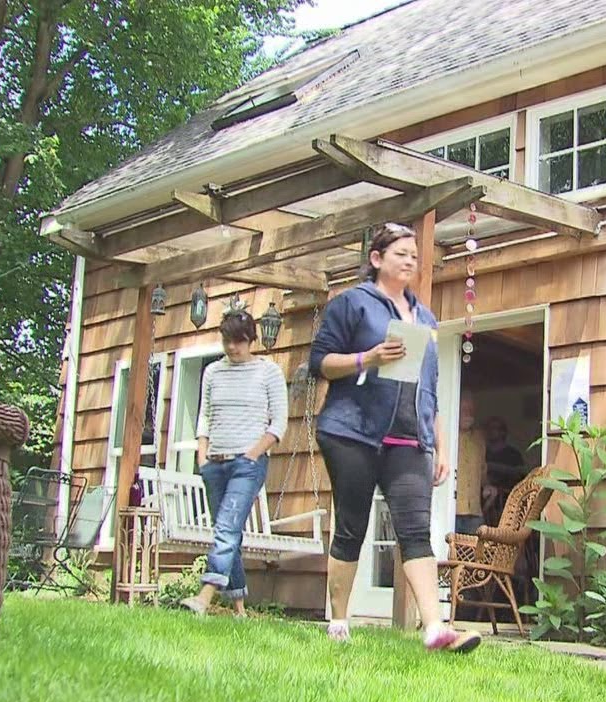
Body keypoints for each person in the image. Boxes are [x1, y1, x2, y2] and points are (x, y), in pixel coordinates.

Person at [308, 222, 481, 653]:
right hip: (352, 431)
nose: (409, 260)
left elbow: (431, 385)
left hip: (408, 437)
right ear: (377, 259)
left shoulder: (425, 318)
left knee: (415, 531)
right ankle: (340, 620)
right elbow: (320, 363)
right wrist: (368, 357)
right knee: (352, 527)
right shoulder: (352, 304)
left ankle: (435, 628)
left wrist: (439, 443)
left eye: (414, 255)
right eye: (400, 253)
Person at [179, 310, 288, 618]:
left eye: (239, 342)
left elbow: (279, 423)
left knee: (226, 527)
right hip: (214, 463)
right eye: (228, 341)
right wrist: (202, 456)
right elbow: (205, 417)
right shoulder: (212, 372)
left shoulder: (269, 373)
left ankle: (204, 596)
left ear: (252, 340)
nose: (232, 348)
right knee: (229, 532)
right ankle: (239, 609)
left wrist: (253, 453)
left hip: (247, 465)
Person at [481, 415, 527, 524]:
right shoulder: (482, 452)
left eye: (496, 428)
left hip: (507, 504)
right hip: (483, 500)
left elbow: (522, 478)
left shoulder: (513, 455)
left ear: (503, 432)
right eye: (490, 428)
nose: (493, 431)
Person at [454, 395, 487, 535]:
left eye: (471, 410)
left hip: (474, 512)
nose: (468, 414)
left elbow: (482, 471)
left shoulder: (479, 440)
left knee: (473, 555)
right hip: (451, 511)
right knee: (449, 555)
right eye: (464, 409)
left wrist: (488, 487)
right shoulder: (449, 436)